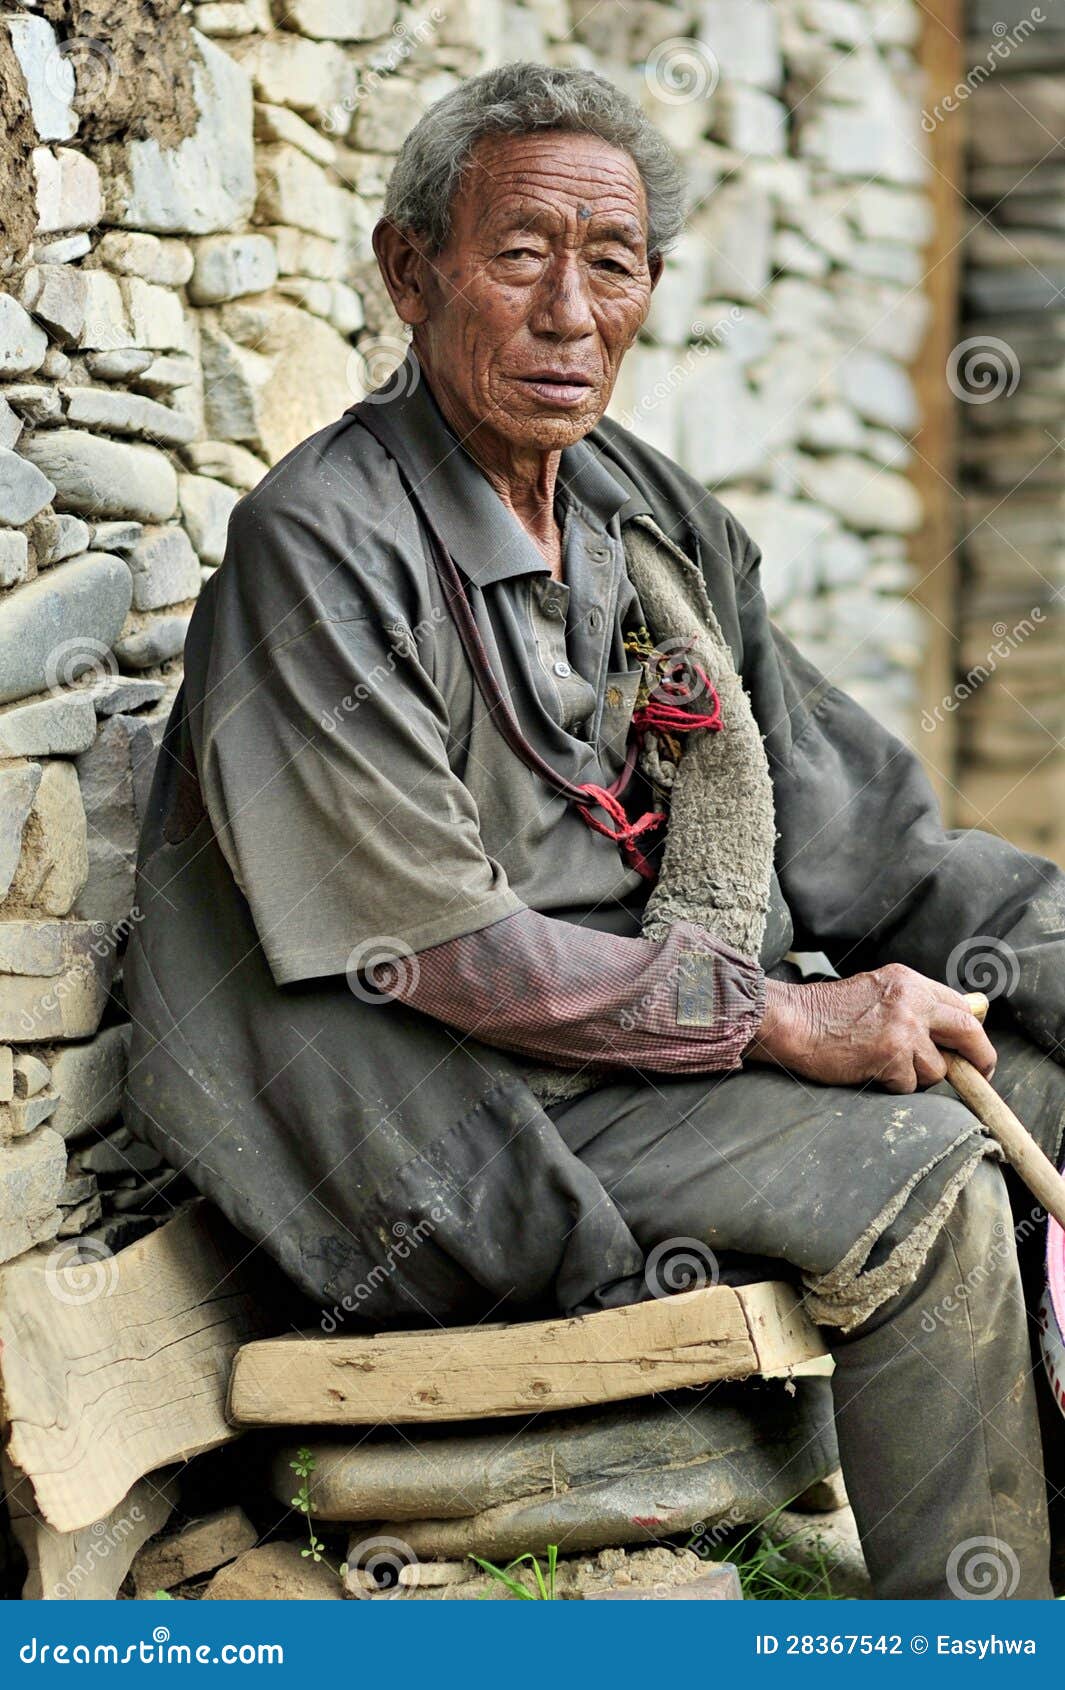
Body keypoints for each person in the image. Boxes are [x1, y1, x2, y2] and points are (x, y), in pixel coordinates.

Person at [124, 62, 1065, 1598]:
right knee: (929, 1167)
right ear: (408, 271)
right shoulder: (320, 545)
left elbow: (866, 838)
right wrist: (791, 1017)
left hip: (654, 1070)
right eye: (519, 255)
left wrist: (1044, 958)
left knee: (1038, 1078)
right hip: (456, 1119)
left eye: (611, 262)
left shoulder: (647, 518)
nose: (570, 310)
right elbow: (439, 955)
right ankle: (961, 1635)